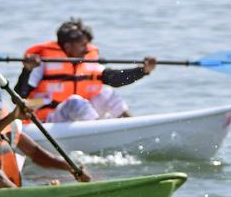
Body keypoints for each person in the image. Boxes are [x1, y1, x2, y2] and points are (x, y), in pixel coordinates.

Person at [13, 18, 157, 123]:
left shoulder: (87, 61)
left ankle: (131, 126)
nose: (87, 49)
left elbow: (114, 79)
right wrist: (27, 70)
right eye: (82, 45)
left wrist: (143, 70)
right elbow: (19, 96)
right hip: (48, 120)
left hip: (81, 118)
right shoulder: (43, 63)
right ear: (68, 47)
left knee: (106, 93)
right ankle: (100, 133)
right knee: (75, 102)